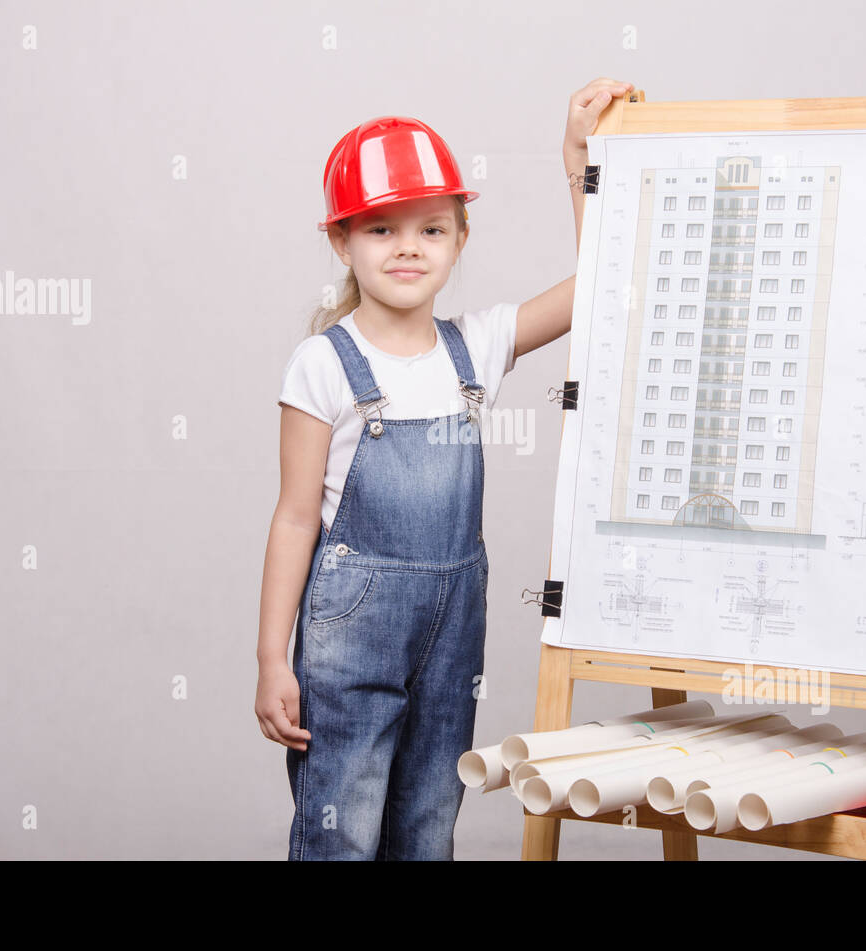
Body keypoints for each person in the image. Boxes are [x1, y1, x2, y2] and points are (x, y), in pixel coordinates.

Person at [256, 79, 635, 860]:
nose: (407, 247)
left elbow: (603, 280)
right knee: (344, 828)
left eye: (431, 228)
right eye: (381, 228)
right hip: (348, 639)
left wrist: (577, 159)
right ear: (341, 240)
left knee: (429, 824)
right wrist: (270, 656)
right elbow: (296, 516)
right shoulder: (324, 364)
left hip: (450, 637)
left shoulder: (478, 346)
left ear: (460, 236)